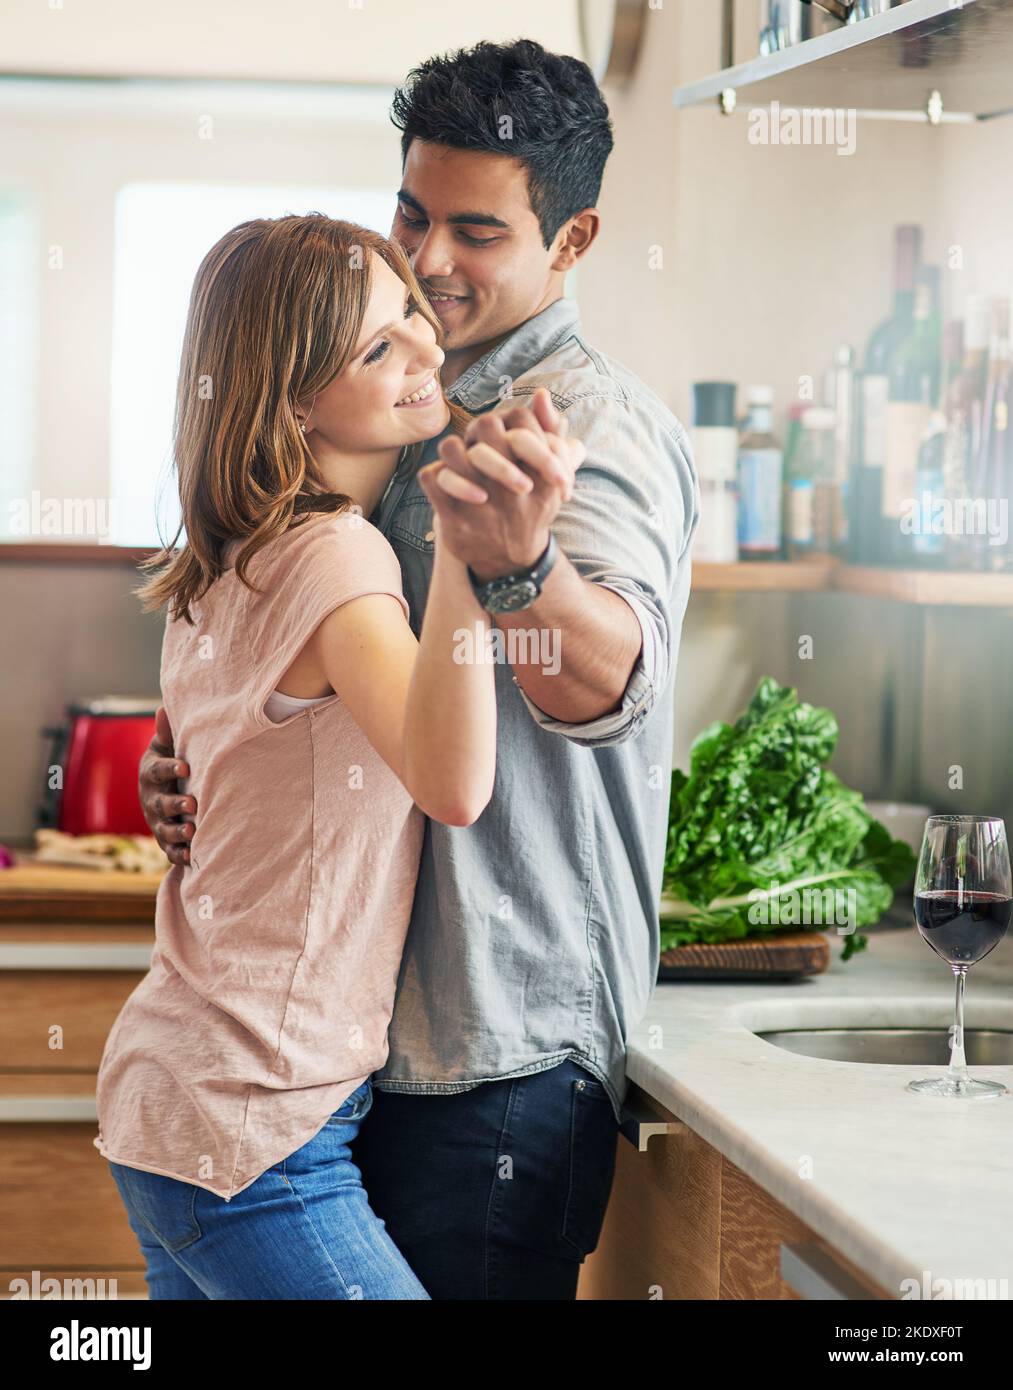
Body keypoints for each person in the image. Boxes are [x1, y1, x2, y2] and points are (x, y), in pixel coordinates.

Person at [139, 38, 700, 1300]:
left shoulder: (590, 427)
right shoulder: (387, 411)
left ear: (571, 242)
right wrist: (201, 775)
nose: (430, 260)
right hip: (332, 1064)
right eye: (411, 214)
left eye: (477, 231)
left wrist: (510, 571)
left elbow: (609, 682)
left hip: (488, 1059)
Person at [96, 211, 582, 1300]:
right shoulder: (338, 556)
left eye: (409, 308)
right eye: (377, 348)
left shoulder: (225, 557)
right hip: (252, 1133)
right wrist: (469, 547)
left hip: (175, 1103)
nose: (423, 347)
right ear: (294, 401)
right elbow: (452, 784)